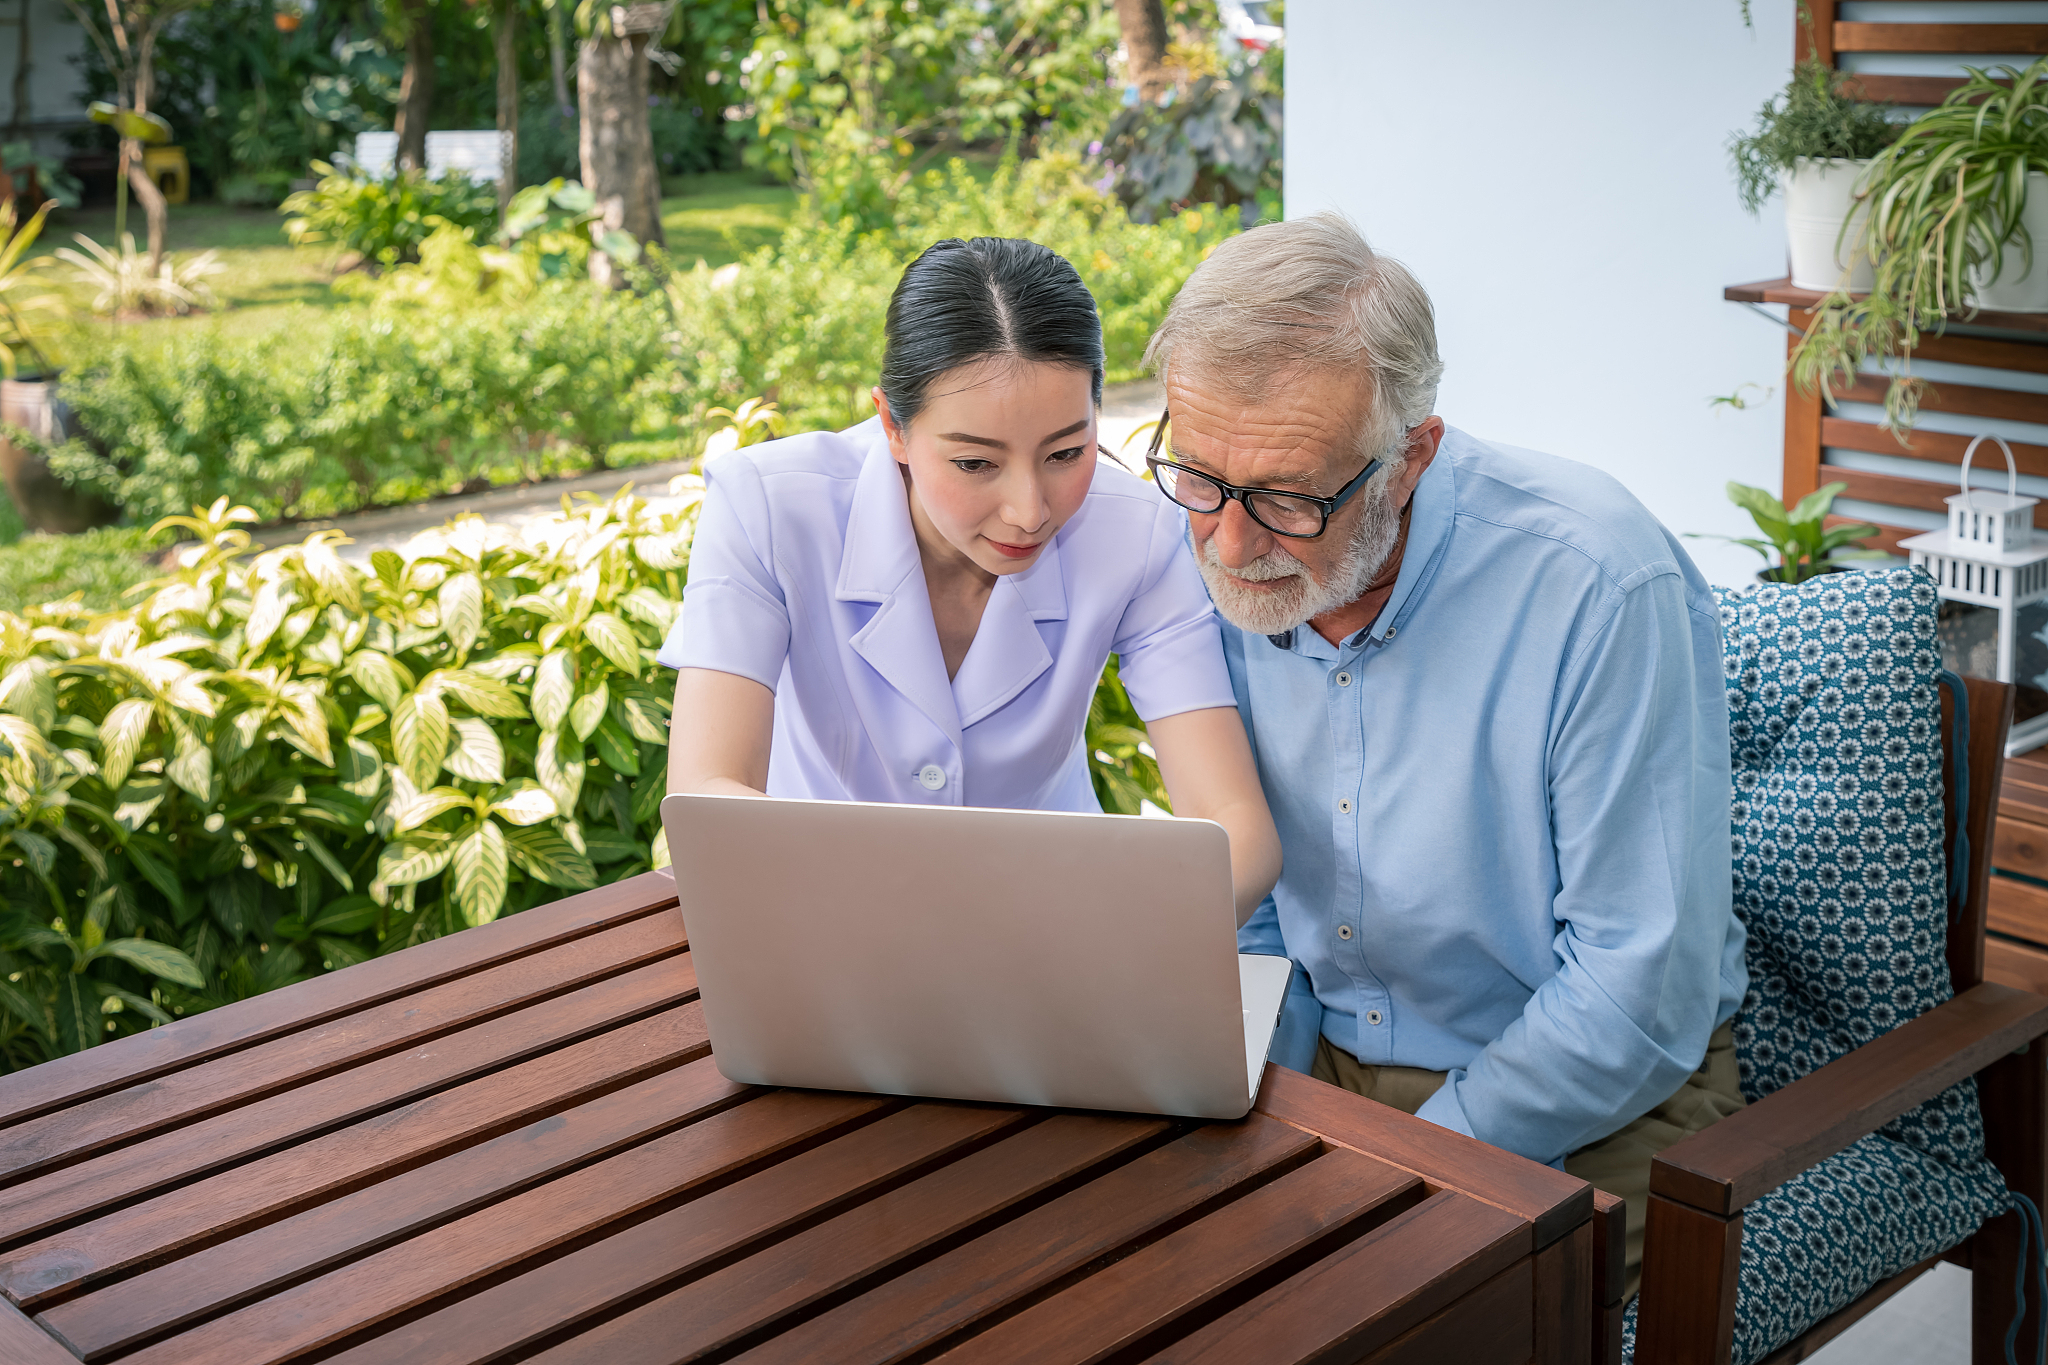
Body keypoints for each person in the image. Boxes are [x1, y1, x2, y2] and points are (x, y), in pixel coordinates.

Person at [1143, 211, 1747, 1297]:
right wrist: (1259, 1108)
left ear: (1409, 456)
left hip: (1590, 1098)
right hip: (1318, 1063)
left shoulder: (1598, 583)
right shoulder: (1216, 554)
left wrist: (1418, 1167)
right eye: (1199, 478)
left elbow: (1637, 986)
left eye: (1287, 499)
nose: (1228, 545)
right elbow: (1249, 904)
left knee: (1393, 1324)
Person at [661, 236, 1282, 923]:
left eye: (1066, 452)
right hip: (822, 919)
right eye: (976, 463)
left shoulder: (1138, 534)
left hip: (1059, 927)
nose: (1029, 511)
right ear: (893, 427)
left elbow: (1237, 828)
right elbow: (706, 795)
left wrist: (1124, 943)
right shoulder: (767, 507)